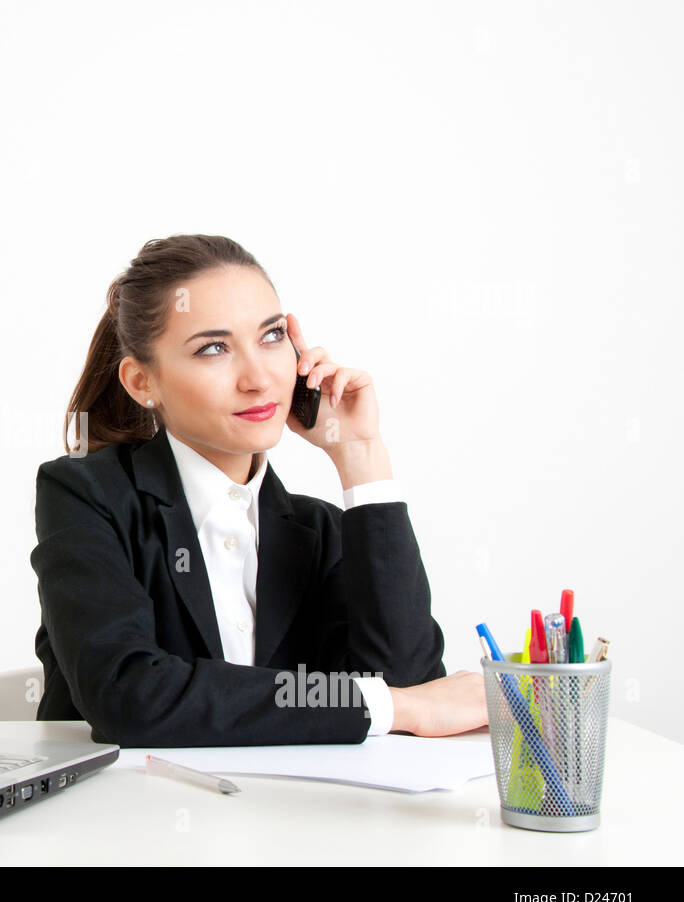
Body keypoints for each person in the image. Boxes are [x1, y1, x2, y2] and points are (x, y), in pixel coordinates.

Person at [30, 234, 487, 746]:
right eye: (214, 348)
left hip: (284, 818)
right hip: (113, 816)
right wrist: (380, 704)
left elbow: (409, 685)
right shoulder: (86, 493)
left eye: (271, 337)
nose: (259, 378)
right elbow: (130, 694)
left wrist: (359, 453)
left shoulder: (318, 530)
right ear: (142, 382)